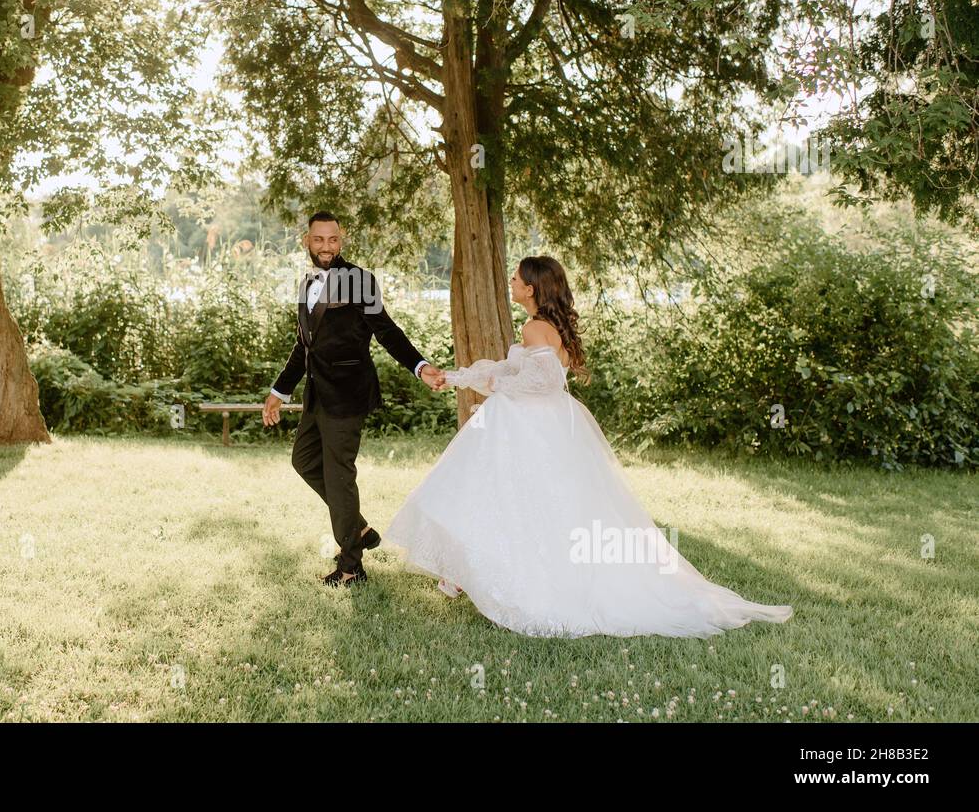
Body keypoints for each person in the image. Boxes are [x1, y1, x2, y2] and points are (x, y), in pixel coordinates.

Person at [384, 255, 795, 638]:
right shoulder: (547, 325)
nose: (511, 282)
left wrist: (495, 388)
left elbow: (539, 381)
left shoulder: (534, 328)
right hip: (544, 423)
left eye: (516, 278)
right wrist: (456, 378)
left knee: (498, 494)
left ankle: (498, 576)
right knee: (518, 499)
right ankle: (464, 570)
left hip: (529, 426)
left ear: (531, 288)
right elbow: (509, 369)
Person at [262, 212, 445, 587]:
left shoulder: (359, 280)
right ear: (307, 241)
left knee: (339, 476)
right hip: (317, 392)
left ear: (341, 240)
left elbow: (386, 330)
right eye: (319, 240)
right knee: (303, 460)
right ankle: (359, 529)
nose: (326, 247)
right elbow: (304, 346)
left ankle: (351, 567)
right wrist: (278, 392)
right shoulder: (307, 282)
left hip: (347, 394)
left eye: (333, 240)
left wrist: (420, 365)